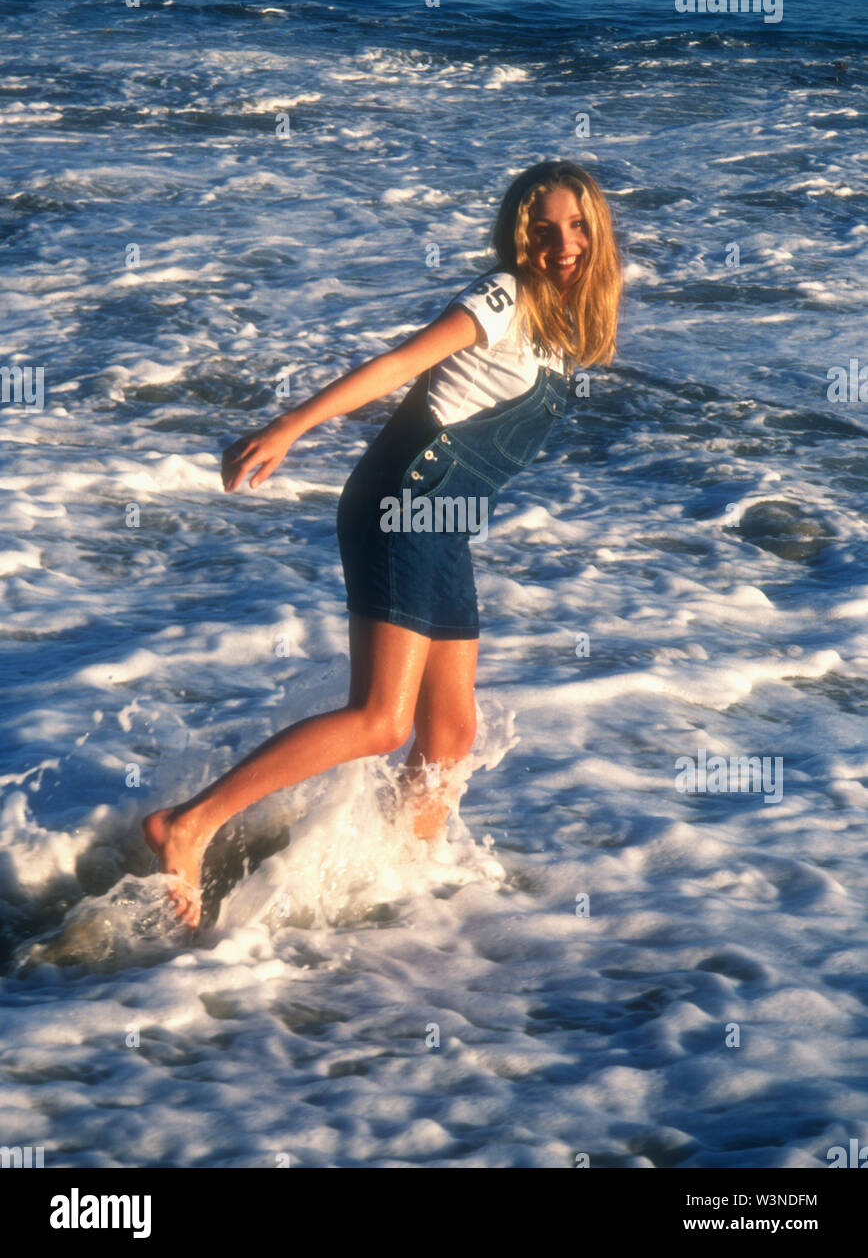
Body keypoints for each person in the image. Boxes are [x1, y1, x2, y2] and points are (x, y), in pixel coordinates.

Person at [143, 159, 622, 927]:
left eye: (576, 227)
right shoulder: (502, 298)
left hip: (444, 523)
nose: (561, 243)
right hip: (404, 501)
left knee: (450, 734)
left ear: (597, 235)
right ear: (518, 235)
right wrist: (288, 427)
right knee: (382, 720)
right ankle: (188, 825)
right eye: (543, 228)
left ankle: (391, 882)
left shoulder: (565, 329)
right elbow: (401, 363)